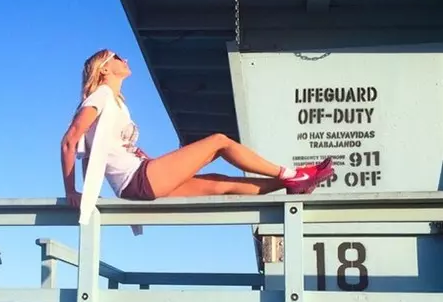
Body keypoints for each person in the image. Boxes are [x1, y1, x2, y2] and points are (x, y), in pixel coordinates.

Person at [60, 49, 333, 215]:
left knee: (221, 184)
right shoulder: (101, 95)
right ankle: (291, 174)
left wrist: (89, 189)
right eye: (118, 57)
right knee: (219, 142)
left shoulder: (115, 102)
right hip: (137, 179)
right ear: (105, 68)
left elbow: (91, 153)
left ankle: (296, 182)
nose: (125, 59)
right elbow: (71, 140)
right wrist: (72, 191)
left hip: (139, 178)